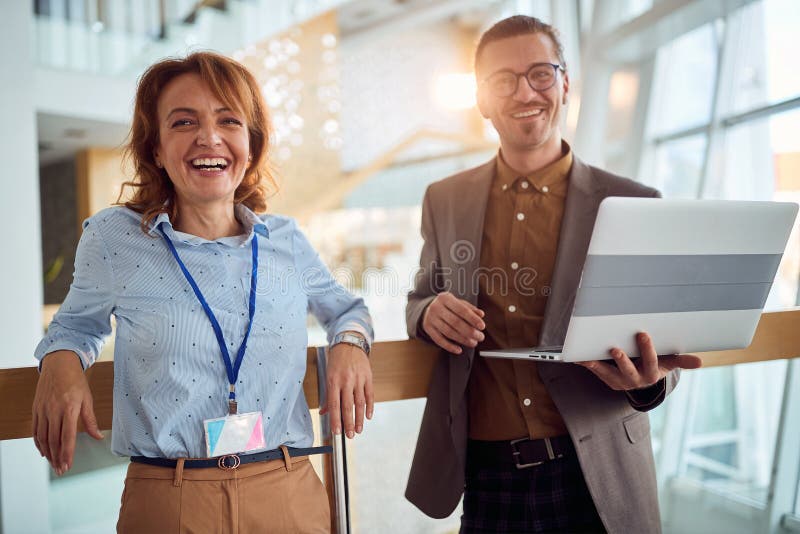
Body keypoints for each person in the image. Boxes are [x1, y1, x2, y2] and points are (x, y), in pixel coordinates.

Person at [32, 51, 373, 533]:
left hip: (288, 490)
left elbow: (349, 310)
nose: (208, 138)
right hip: (169, 498)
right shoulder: (114, 237)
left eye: (228, 120)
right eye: (183, 122)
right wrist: (61, 363)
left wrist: (350, 344)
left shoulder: (286, 241)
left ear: (250, 146)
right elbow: (74, 326)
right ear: (156, 149)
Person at [405, 16, 702, 534]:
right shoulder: (444, 199)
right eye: (503, 80)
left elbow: (664, 347)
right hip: (486, 473)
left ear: (566, 83)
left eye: (540, 73)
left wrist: (651, 382)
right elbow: (420, 296)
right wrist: (429, 312)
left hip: (596, 471)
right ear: (482, 98)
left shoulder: (634, 203)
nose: (525, 91)